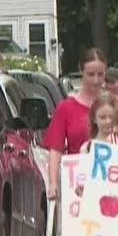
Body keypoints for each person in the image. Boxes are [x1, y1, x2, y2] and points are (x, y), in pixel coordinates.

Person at [45, 49, 107, 199]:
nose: (96, 80)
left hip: (109, 179)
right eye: (91, 74)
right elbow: (56, 148)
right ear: (81, 71)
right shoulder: (66, 108)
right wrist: (53, 183)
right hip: (76, 180)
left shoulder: (113, 104)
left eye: (100, 74)